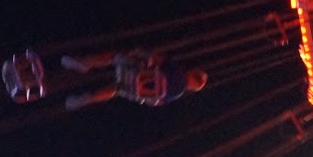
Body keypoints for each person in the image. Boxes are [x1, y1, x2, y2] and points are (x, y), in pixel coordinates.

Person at [61, 48, 208, 110]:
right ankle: (87, 99)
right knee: (115, 89)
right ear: (192, 87)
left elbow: (155, 59)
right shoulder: (176, 94)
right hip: (136, 90)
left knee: (114, 57)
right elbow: (157, 102)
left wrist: (140, 52)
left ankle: (84, 64)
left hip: (137, 72)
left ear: (192, 73)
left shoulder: (178, 70)